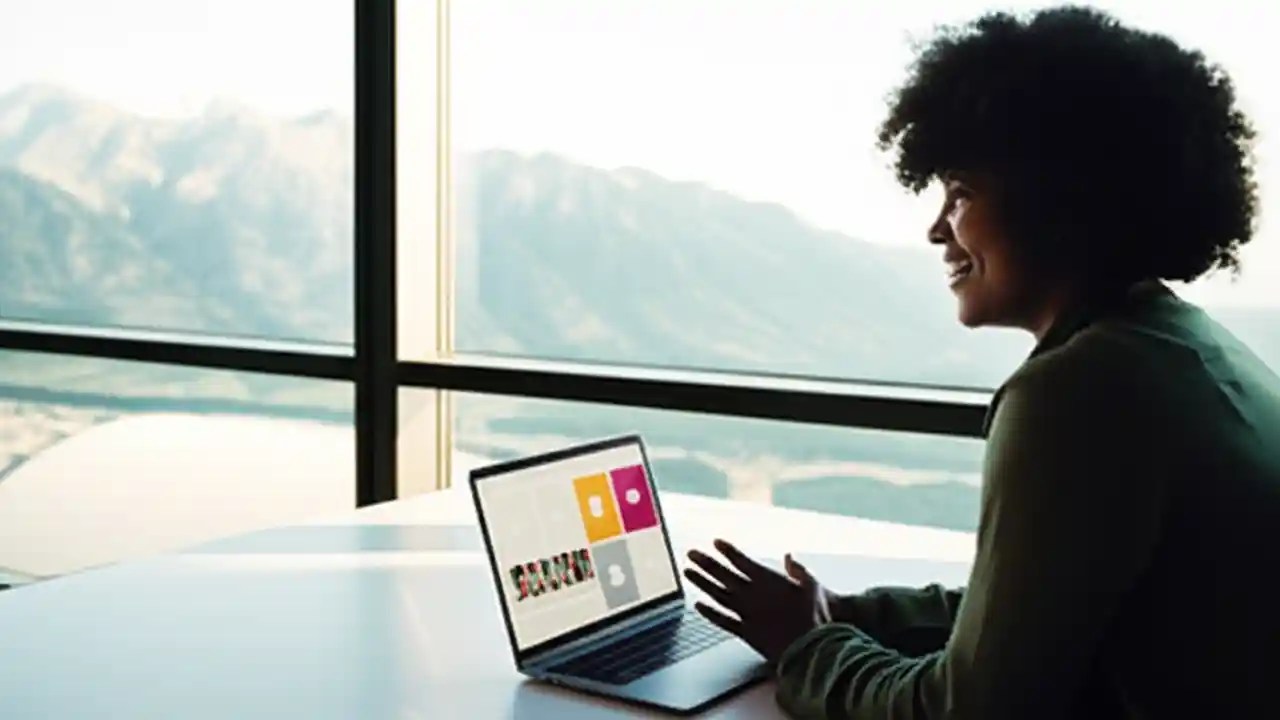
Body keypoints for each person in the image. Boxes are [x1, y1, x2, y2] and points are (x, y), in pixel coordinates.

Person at [684, 7, 1280, 719]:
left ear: (1059, 198)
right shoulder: (1188, 348)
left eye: (961, 192)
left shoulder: (1078, 392)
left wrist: (806, 649)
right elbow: (1044, 602)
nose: (937, 227)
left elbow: (966, 710)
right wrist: (849, 612)